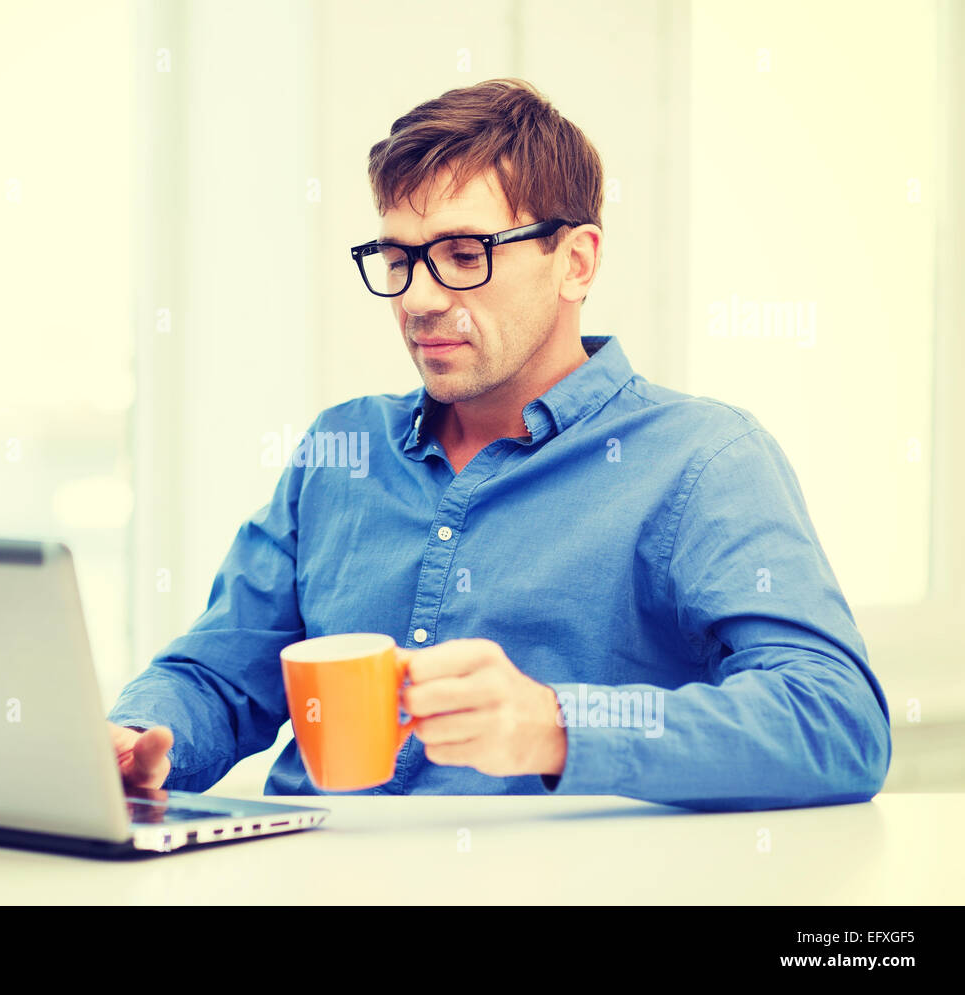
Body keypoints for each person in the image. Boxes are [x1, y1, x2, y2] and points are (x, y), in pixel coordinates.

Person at [107, 77, 890, 811]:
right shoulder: (340, 447)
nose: (417, 298)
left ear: (575, 261)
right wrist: (133, 740)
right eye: (397, 258)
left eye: (462, 255)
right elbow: (217, 675)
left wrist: (556, 726)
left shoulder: (704, 459)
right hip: (307, 876)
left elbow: (837, 721)